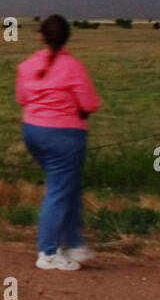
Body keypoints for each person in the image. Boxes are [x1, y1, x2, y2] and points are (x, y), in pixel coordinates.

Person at [17, 14, 101, 271]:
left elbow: (22, 98)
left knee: (68, 187)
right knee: (59, 190)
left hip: (33, 131)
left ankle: (74, 244)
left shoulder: (27, 65)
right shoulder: (73, 66)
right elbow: (90, 103)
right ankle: (49, 252)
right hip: (64, 136)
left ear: (41, 36)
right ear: (67, 37)